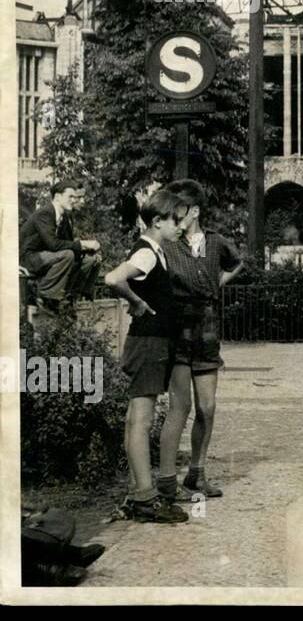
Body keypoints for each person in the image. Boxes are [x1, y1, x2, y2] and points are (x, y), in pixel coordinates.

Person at [103, 188, 190, 523]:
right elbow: (113, 278)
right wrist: (137, 303)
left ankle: (137, 492)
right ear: (158, 221)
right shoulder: (148, 254)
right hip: (150, 343)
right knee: (141, 419)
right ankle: (145, 498)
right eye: (176, 221)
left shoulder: (154, 251)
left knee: (134, 419)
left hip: (150, 342)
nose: (181, 227)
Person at [158, 179, 242, 503]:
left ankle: (197, 472)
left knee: (207, 407)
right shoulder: (167, 245)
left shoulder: (216, 242)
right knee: (181, 406)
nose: (174, 217)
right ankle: (168, 479)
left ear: (193, 211)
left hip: (207, 330)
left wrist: (216, 283)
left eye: (178, 210)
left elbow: (236, 263)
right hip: (178, 330)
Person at [19, 180, 102, 312]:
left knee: (90, 259)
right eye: (71, 196)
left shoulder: (63, 217)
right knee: (68, 255)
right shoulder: (45, 213)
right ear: (57, 197)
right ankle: (45, 296)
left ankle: (70, 296)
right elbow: (54, 244)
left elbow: (67, 245)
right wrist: (83, 244)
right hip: (30, 258)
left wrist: (86, 251)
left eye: (75, 197)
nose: (74, 200)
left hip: (47, 256)